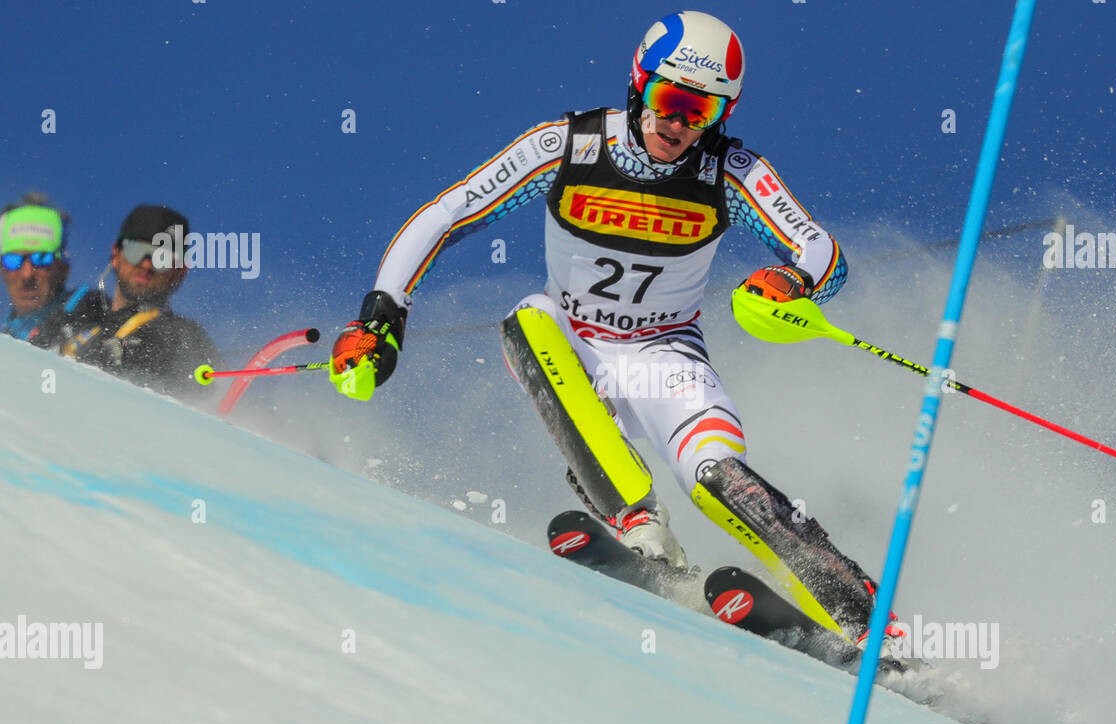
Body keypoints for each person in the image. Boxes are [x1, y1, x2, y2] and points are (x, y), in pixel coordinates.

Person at [330, 11, 891, 643]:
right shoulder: (568, 145)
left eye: (701, 111)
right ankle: (640, 528)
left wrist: (793, 282)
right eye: (670, 100)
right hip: (575, 345)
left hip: (667, 356)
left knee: (715, 477)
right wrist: (381, 316)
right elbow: (449, 213)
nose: (679, 125)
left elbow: (821, 251)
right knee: (527, 319)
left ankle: (859, 612)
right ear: (638, 83)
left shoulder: (729, 173)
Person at [57, 204, 220, 403]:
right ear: (116, 254)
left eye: (162, 258)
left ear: (181, 270)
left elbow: (204, 399)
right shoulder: (78, 316)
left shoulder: (182, 336)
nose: (146, 264)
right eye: (137, 250)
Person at [0, 194, 104, 348]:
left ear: (63, 267)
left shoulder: (94, 314)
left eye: (42, 259)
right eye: (12, 260)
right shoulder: (7, 334)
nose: (27, 274)